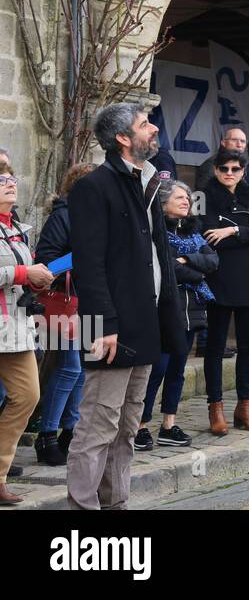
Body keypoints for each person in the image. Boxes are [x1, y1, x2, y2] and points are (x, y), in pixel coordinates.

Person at [66, 103, 188, 510]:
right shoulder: (92, 187)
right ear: (123, 137)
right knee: (96, 427)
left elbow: (158, 260)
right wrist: (103, 326)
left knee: (127, 427)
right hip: (105, 328)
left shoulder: (149, 183)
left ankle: (115, 504)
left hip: (145, 323)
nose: (153, 128)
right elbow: (88, 265)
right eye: (144, 124)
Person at [136, 182, 218, 451]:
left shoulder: (194, 232)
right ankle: (141, 426)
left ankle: (169, 425)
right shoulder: (154, 231)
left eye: (188, 197)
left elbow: (213, 262)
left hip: (191, 310)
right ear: (163, 203)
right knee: (157, 369)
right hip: (165, 309)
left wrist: (186, 261)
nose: (186, 200)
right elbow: (168, 269)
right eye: (179, 197)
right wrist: (193, 266)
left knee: (177, 370)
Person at [200, 148, 249, 434]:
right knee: (215, 346)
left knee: (247, 345)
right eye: (224, 169)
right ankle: (214, 407)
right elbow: (205, 235)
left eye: (235, 169)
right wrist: (245, 233)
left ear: (243, 171)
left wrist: (232, 232)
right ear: (215, 169)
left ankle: (245, 406)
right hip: (218, 276)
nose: (230, 174)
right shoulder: (202, 196)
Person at [31, 162, 95, 467]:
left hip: (86, 301)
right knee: (70, 367)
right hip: (62, 301)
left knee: (81, 369)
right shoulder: (63, 215)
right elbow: (46, 262)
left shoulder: (93, 218)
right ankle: (47, 435)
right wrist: (83, 255)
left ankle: (70, 431)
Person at [0, 169, 54, 505]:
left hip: (13, 329)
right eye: (1, 180)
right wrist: (23, 272)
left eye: (11, 179)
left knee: (27, 395)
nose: (10, 184)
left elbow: (20, 276)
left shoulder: (16, 228)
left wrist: (37, 280)